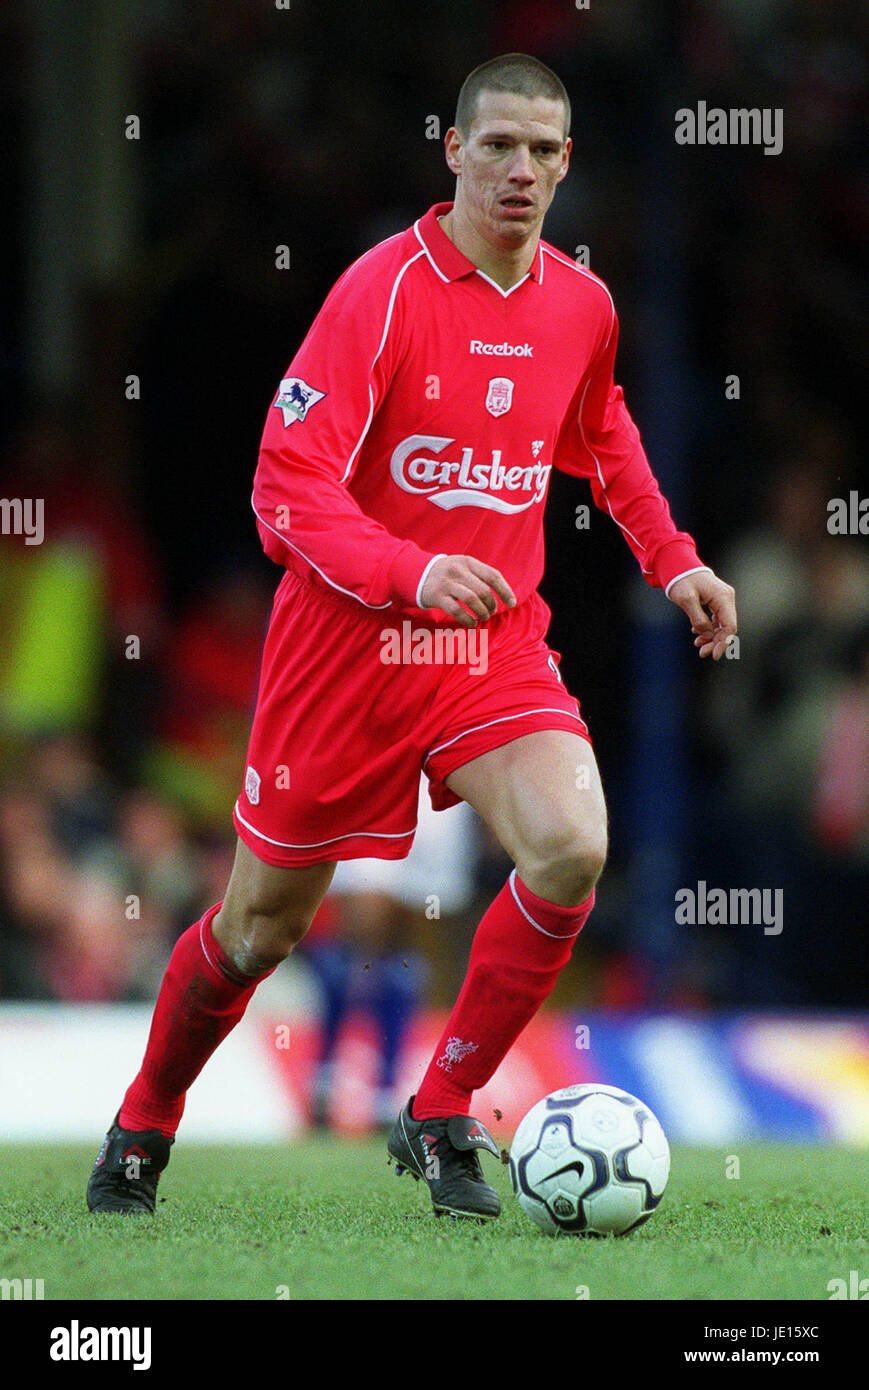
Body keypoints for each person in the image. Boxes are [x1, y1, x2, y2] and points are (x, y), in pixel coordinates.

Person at [87, 53, 737, 1221]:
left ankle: (439, 1107)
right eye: (498, 145)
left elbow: (605, 431)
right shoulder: (379, 291)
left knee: (570, 848)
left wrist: (673, 557)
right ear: (451, 150)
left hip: (484, 650)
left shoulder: (580, 304)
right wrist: (409, 567)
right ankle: (142, 1123)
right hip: (344, 654)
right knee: (255, 930)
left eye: (544, 151)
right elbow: (284, 487)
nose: (520, 171)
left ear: (567, 166)